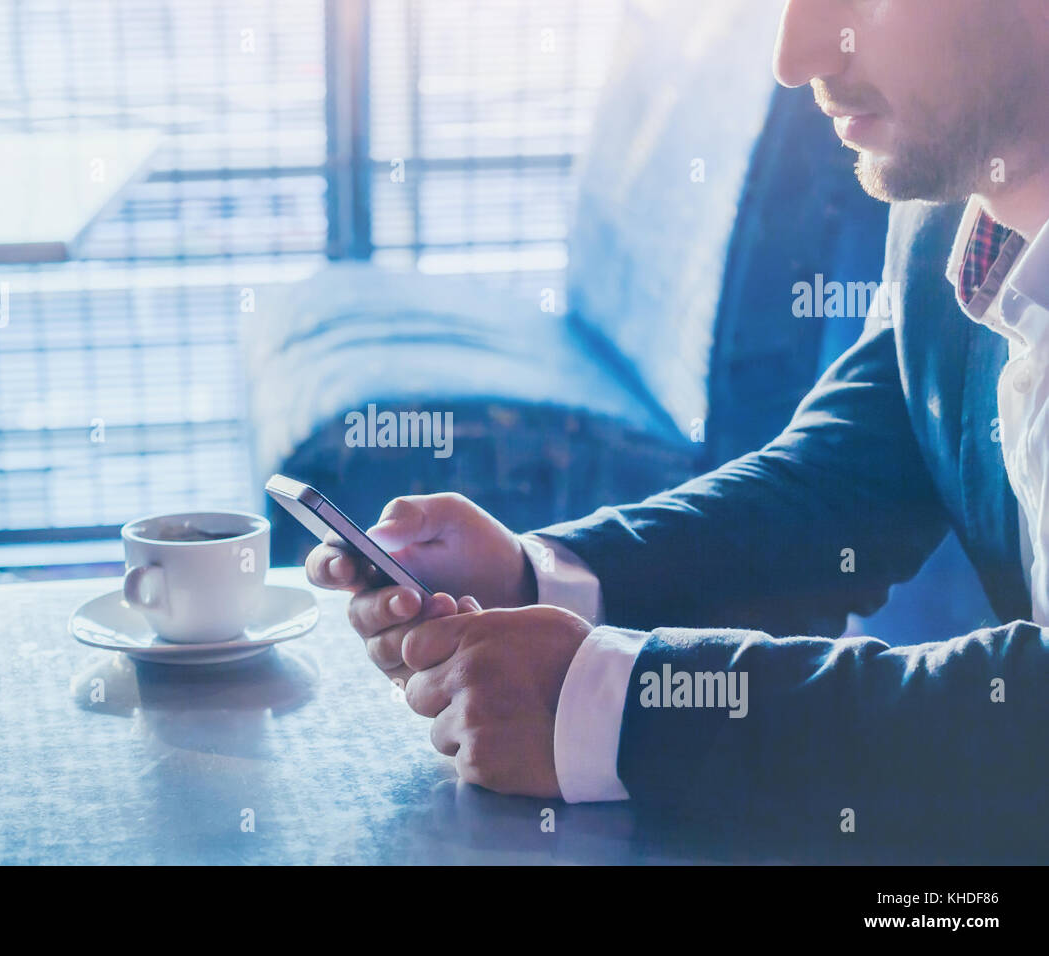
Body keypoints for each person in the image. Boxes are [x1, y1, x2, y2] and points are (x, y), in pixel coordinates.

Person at [305, 0, 1049, 833]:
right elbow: (840, 483)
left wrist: (623, 710)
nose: (796, 57)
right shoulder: (952, 214)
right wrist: (541, 580)